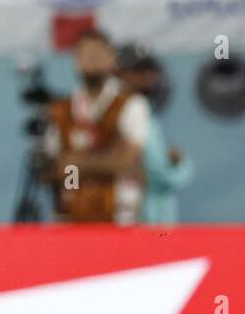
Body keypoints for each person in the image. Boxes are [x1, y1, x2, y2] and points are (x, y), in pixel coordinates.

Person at [44, 28, 150, 224]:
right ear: (76, 61)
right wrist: (103, 160)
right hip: (72, 216)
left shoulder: (130, 104)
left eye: (98, 54)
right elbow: (56, 167)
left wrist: (77, 162)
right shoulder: (62, 110)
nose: (92, 60)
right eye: (86, 54)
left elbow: (125, 160)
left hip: (120, 218)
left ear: (112, 59)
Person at [117, 43, 192, 225]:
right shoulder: (114, 113)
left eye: (151, 71)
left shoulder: (145, 113)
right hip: (139, 218)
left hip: (154, 218)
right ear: (120, 73)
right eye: (138, 71)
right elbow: (160, 174)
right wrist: (182, 165)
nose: (148, 78)